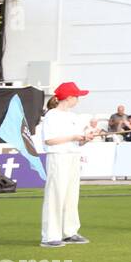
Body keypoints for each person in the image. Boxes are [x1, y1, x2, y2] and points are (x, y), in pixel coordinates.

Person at [39, 81, 96, 247]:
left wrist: (85, 139)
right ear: (69, 98)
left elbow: (78, 140)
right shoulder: (51, 115)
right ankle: (50, 236)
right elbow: (49, 140)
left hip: (72, 155)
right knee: (55, 195)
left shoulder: (73, 117)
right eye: (76, 96)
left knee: (71, 195)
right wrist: (73, 137)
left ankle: (69, 232)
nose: (78, 99)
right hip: (58, 157)